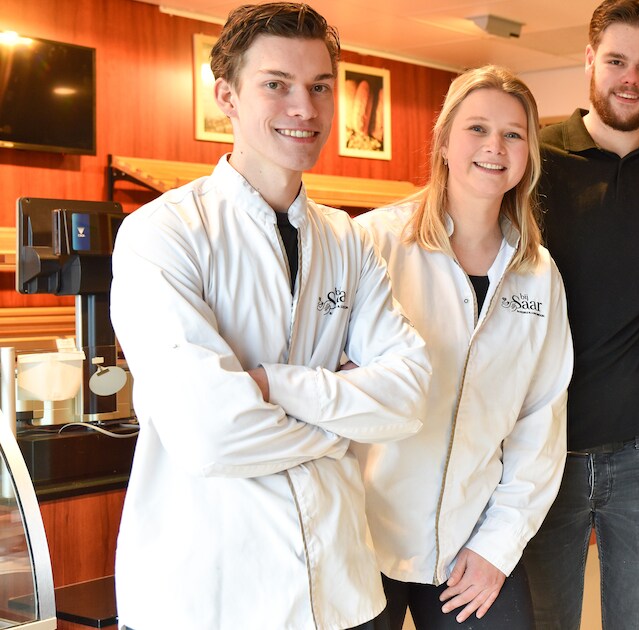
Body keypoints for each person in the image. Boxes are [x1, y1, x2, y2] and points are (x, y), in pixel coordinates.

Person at [109, 4, 432, 629]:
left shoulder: (347, 239)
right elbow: (209, 432)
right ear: (227, 96)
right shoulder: (165, 233)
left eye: (318, 87)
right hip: (214, 598)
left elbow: (409, 396)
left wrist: (273, 386)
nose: (303, 109)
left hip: (342, 594)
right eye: (276, 85)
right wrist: (345, 424)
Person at [354, 65, 573, 629]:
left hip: (469, 537)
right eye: (477, 128)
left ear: (529, 153)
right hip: (362, 534)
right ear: (444, 142)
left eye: (513, 134)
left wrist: (498, 546)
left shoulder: (536, 273)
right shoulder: (373, 244)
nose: (494, 147)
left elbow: (540, 421)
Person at [520, 0, 639, 628]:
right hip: (542, 453)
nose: (631, 78)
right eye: (617, 61)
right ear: (590, 62)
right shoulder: (533, 160)